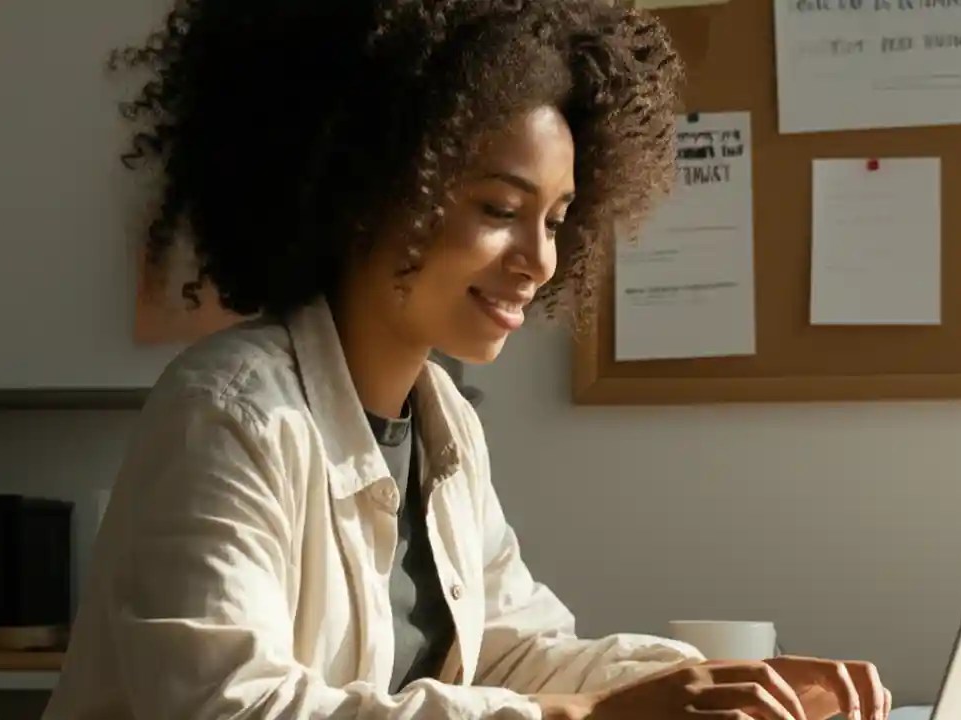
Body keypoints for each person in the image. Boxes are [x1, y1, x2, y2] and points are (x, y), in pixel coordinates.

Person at [45, 1, 891, 718]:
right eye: (499, 209)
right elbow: (228, 705)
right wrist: (580, 717)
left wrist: (719, 681)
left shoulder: (443, 420)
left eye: (555, 220)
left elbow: (518, 651)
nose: (541, 259)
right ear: (370, 189)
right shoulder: (229, 411)